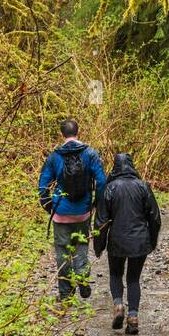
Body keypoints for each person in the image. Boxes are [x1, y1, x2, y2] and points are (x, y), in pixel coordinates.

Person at [38, 119, 106, 303]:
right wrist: (95, 203)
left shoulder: (54, 157)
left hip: (61, 212)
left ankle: (66, 293)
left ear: (62, 134)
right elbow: (101, 181)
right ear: (78, 132)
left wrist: (50, 207)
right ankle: (82, 277)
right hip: (83, 212)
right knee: (81, 246)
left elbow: (42, 187)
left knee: (62, 251)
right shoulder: (90, 154)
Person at [93, 153, 161, 336]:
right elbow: (154, 217)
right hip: (140, 241)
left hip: (117, 240)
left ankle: (118, 305)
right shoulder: (143, 187)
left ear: (115, 168)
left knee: (115, 274)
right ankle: (133, 316)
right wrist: (152, 240)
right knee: (133, 278)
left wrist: (99, 246)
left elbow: (101, 221)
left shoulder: (110, 188)